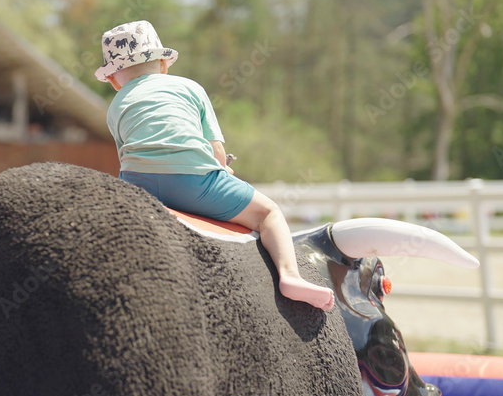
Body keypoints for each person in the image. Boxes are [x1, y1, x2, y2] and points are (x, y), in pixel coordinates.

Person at [95, 20, 334, 310]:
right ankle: (290, 276)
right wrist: (223, 168)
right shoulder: (190, 88)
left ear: (113, 80)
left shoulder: (116, 105)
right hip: (194, 181)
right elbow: (216, 152)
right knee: (269, 213)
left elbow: (128, 155)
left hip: (139, 184)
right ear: (163, 64)